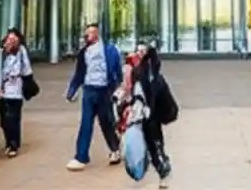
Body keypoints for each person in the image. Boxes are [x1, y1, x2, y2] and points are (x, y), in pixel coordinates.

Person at [65, 22, 123, 171]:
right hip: (89, 90)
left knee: (107, 122)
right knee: (86, 123)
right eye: (86, 33)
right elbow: (79, 73)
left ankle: (115, 149)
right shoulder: (84, 52)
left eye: (89, 33)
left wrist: (119, 89)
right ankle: (81, 156)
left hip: (104, 91)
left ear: (97, 34)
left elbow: (117, 71)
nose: (86, 36)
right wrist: (72, 90)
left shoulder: (110, 50)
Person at [118, 44, 173, 188]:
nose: (139, 54)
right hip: (137, 117)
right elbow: (128, 90)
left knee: (155, 147)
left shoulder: (155, 78)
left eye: (143, 51)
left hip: (151, 119)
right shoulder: (134, 71)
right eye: (138, 51)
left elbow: (162, 98)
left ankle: (163, 170)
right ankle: (148, 168)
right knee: (137, 146)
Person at [0, 28, 32, 158]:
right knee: (3, 120)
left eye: (14, 39)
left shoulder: (21, 51)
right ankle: (8, 141)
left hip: (16, 89)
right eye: (9, 39)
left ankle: (14, 144)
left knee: (13, 118)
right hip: (3, 90)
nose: (11, 41)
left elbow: (27, 69)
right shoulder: (1, 53)